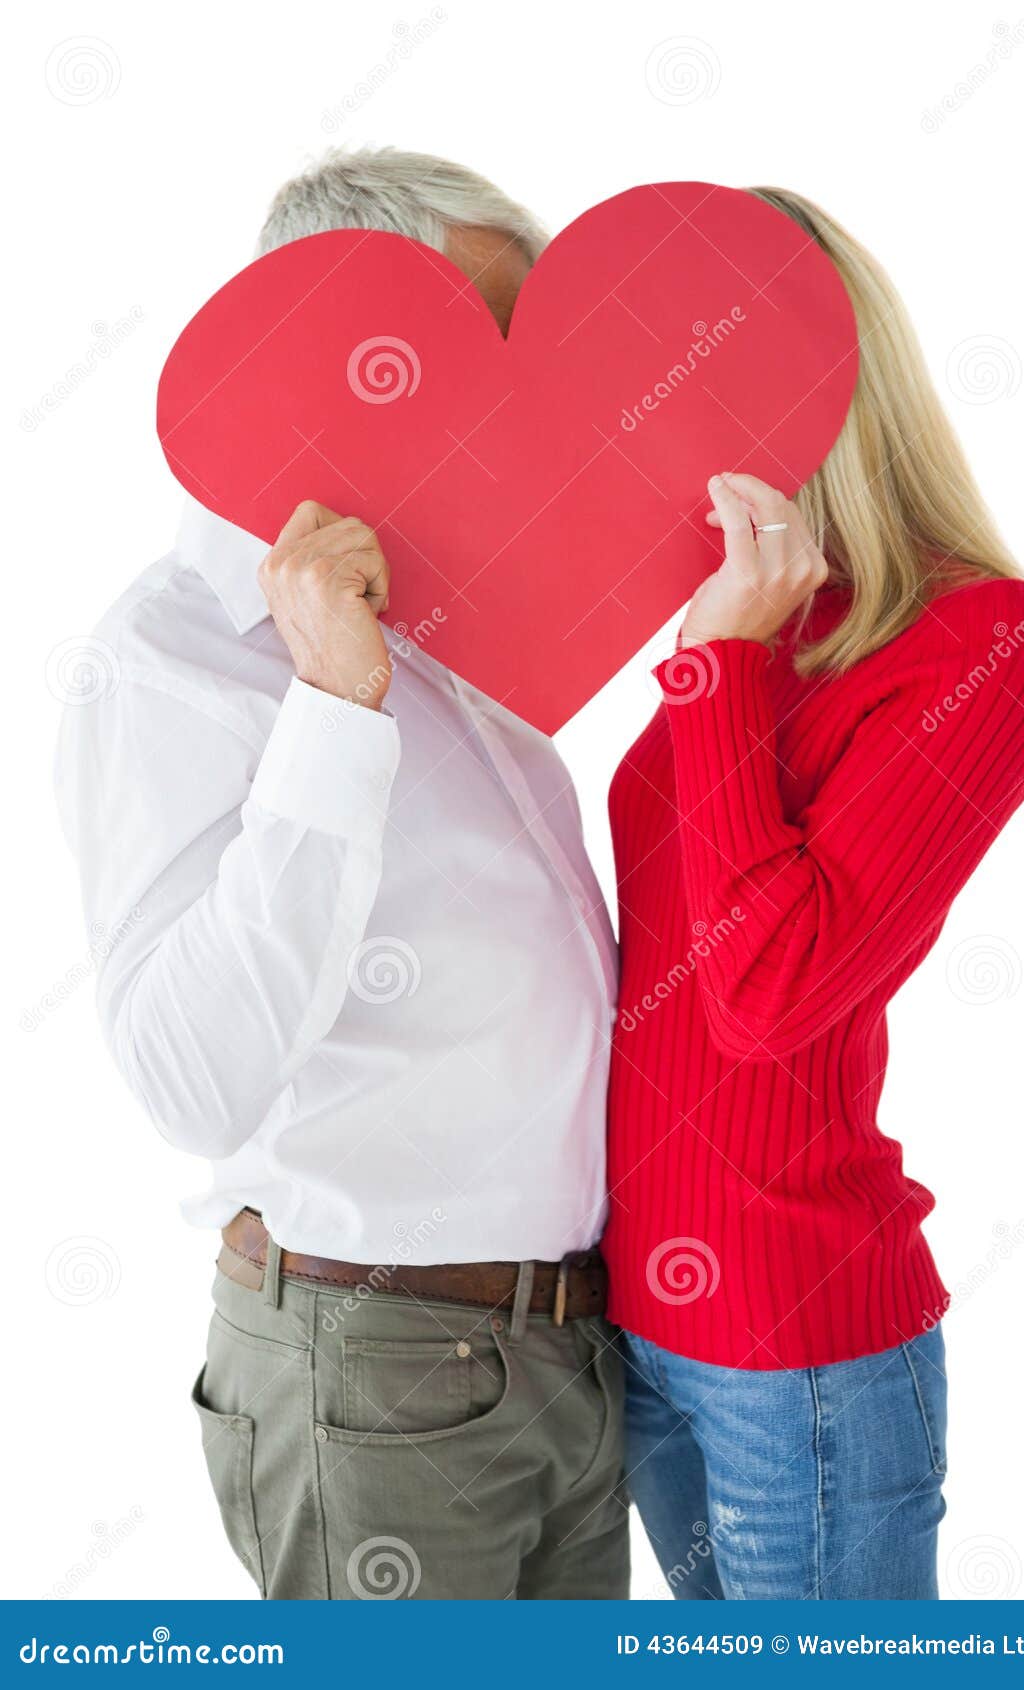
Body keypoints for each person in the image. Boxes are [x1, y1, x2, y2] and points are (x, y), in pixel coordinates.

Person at [56, 148, 627, 1602]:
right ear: (329, 340)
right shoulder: (172, 654)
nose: (521, 409)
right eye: (481, 350)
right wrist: (329, 705)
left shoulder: (469, 622)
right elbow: (190, 1077)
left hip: (567, 1354)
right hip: (378, 1381)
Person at [603, 187, 1024, 1601]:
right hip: (634, 1320)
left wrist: (724, 664)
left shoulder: (987, 636)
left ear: (832, 372)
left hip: (796, 1352)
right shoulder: (752, 606)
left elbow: (766, 993)